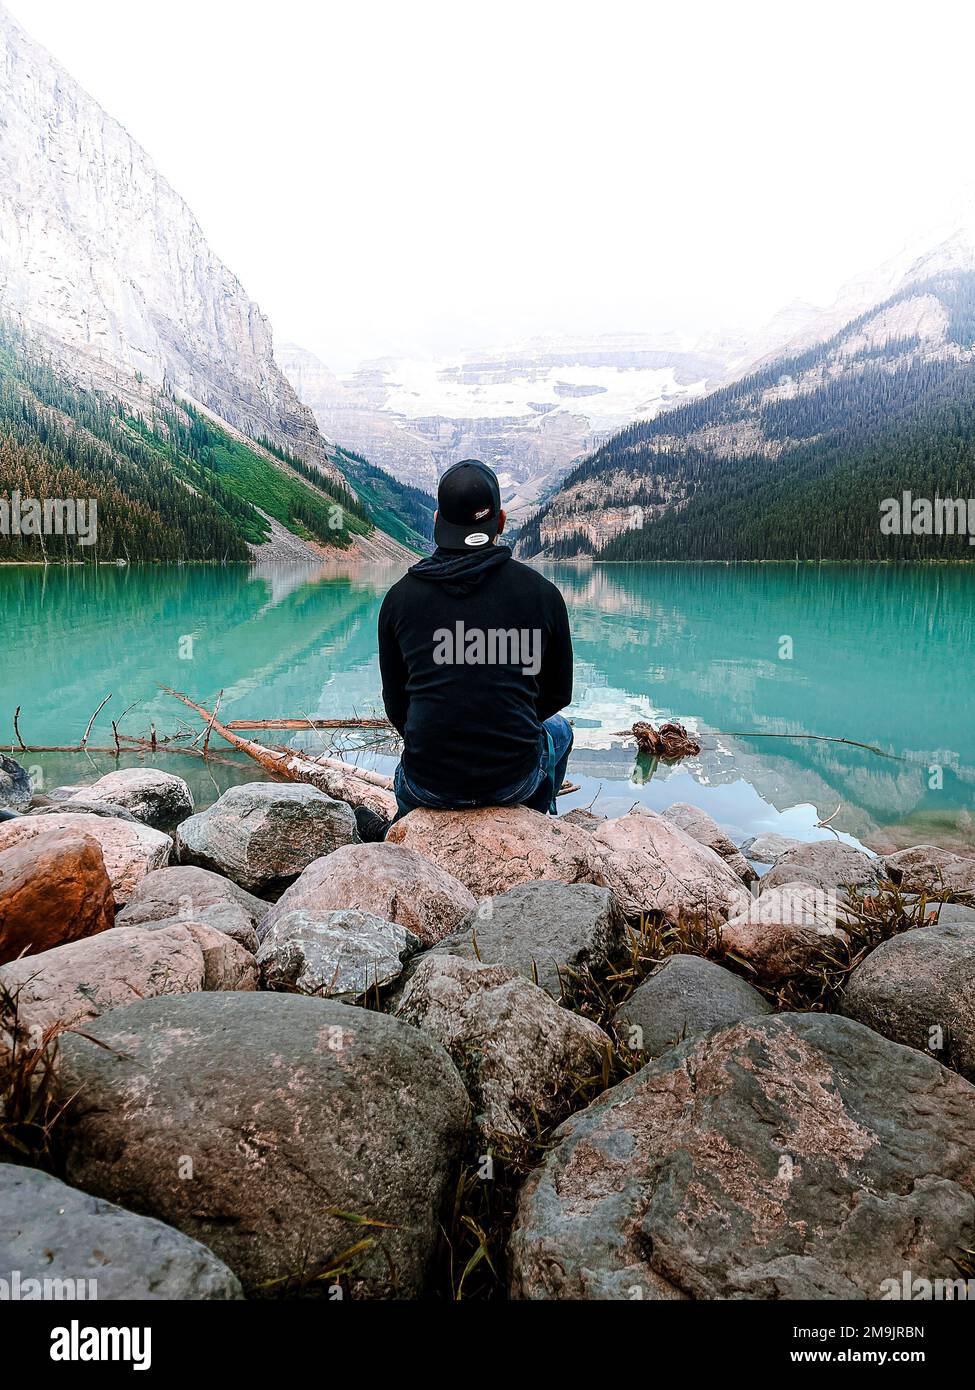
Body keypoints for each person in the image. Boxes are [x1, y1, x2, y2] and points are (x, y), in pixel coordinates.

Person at [378, 459, 573, 826]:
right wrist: (505, 724)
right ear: (500, 521)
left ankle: (403, 827)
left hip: (429, 784)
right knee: (561, 730)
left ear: (437, 520)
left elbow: (397, 705)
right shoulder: (543, 595)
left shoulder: (399, 599)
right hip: (513, 781)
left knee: (414, 766)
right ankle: (539, 818)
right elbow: (558, 694)